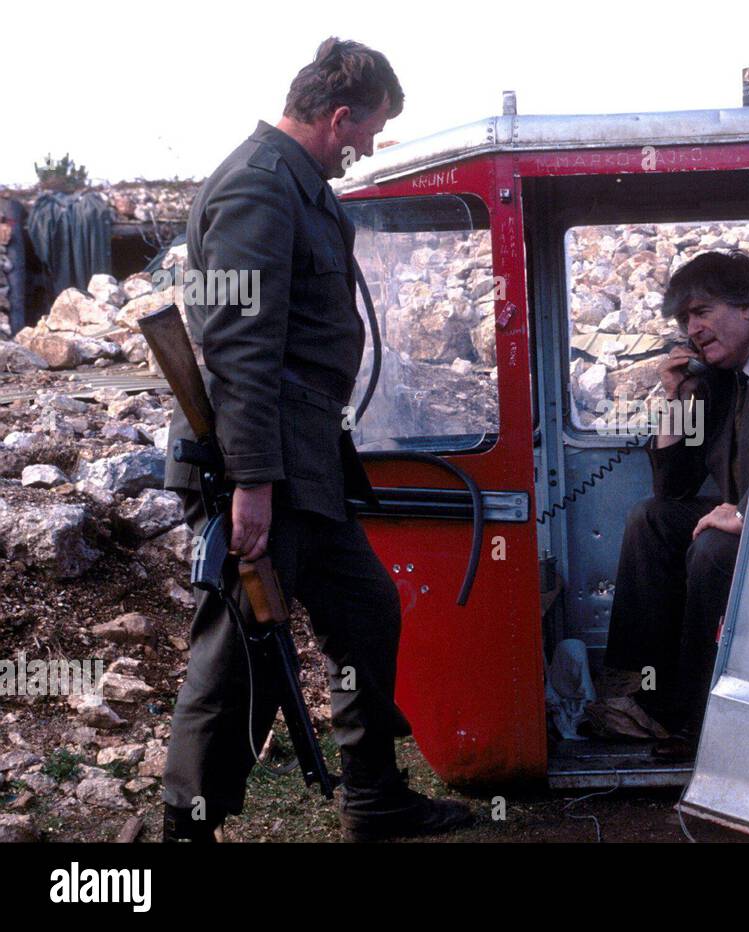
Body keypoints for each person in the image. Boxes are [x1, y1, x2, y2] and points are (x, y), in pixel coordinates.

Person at [161, 38, 472, 842]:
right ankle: (185, 831)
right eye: (365, 131)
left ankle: (373, 797)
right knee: (237, 654)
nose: (366, 148)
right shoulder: (260, 189)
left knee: (365, 610)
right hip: (262, 460)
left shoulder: (291, 184)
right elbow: (238, 348)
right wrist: (253, 483)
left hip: (305, 457)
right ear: (338, 117)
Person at [604, 250, 749, 761]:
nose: (694, 328)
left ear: (747, 306)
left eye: (702, 311)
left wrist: (746, 511)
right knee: (651, 521)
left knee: (712, 549)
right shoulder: (723, 380)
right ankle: (644, 696)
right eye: (685, 320)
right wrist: (678, 397)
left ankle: (700, 720)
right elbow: (672, 487)